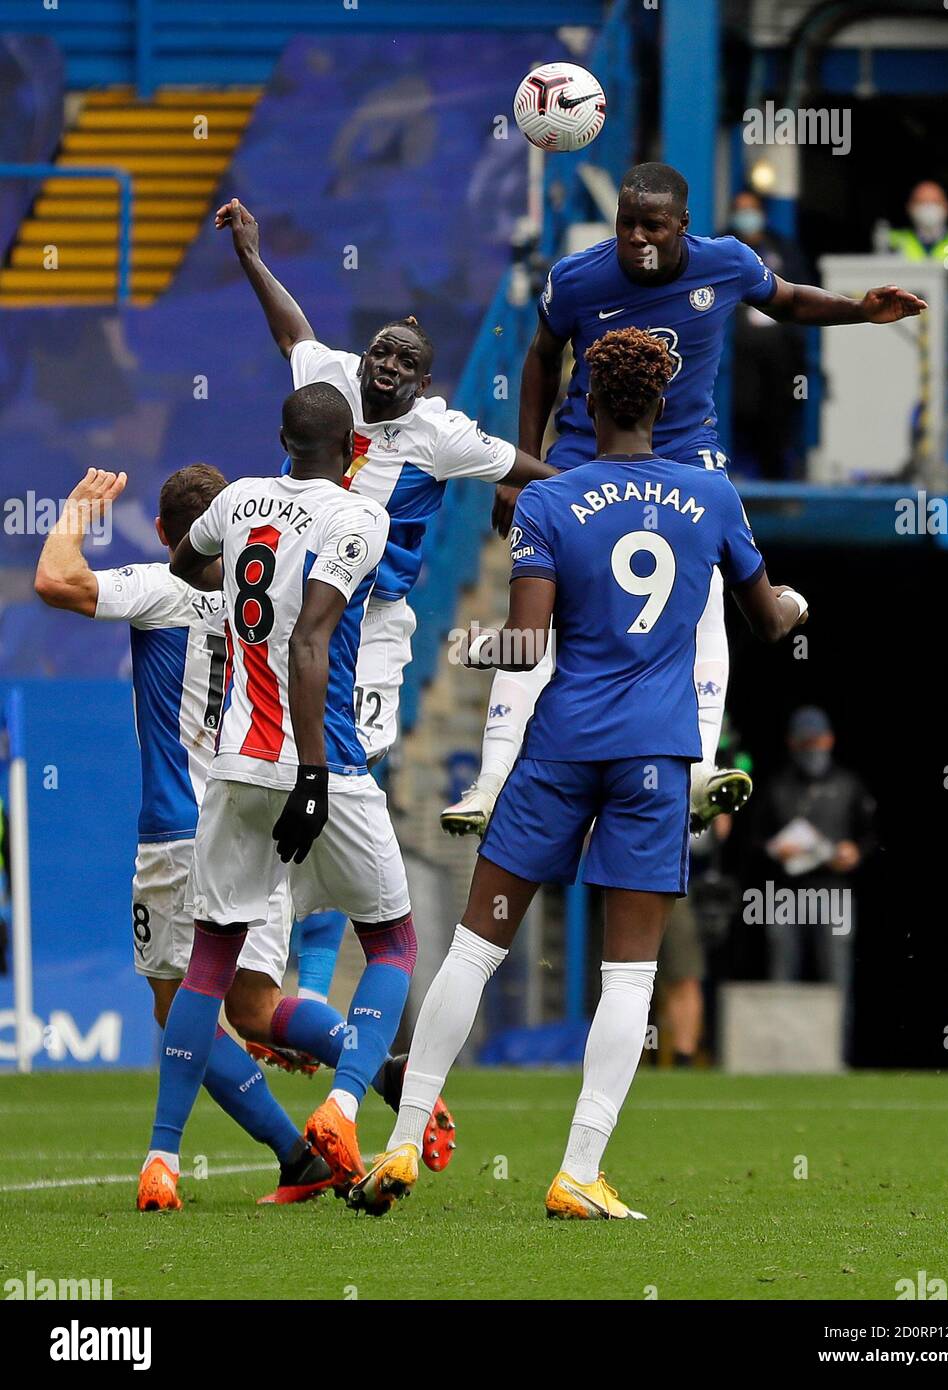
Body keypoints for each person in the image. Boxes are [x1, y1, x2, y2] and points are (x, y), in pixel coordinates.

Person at [350, 327, 808, 1221]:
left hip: (555, 751)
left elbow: (523, 646)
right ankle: (578, 1171)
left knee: (475, 951)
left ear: (585, 405)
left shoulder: (550, 501)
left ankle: (402, 1140)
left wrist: (463, 640)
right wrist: (792, 604)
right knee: (628, 977)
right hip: (653, 760)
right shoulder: (712, 496)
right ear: (666, 405)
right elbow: (766, 623)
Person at [442, 161, 924, 840]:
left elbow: (784, 300)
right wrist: (524, 470)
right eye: (626, 222)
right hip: (586, 455)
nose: (635, 237)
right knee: (540, 618)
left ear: (682, 227)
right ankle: (490, 781)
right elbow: (539, 358)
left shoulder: (725, 263)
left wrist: (859, 311)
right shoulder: (578, 276)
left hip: (683, 458)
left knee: (702, 598)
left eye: (651, 225)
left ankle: (696, 768)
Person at [215, 197, 556, 1035]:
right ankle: (269, 969)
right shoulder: (329, 380)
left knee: (340, 781)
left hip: (369, 634)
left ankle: (318, 983)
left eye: (406, 362)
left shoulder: (440, 434)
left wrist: (563, 490)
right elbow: (290, 331)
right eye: (381, 353)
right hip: (294, 616)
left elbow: (529, 468)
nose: (388, 367)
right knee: (269, 771)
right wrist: (253, 257)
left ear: (423, 382)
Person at [137, 383, 444, 1210]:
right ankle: (343, 1106)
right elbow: (311, 638)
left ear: (280, 439)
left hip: (234, 768)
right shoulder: (359, 519)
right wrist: (311, 773)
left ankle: (161, 1163)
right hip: (327, 763)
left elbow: (183, 564)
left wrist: (235, 579)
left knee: (205, 968)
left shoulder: (238, 499)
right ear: (352, 452)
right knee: (392, 945)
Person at [34, 464, 333, 1206]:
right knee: (258, 1011)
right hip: (257, 819)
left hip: (175, 834)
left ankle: (284, 1153)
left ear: (168, 534)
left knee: (178, 1011)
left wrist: (75, 511)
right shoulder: (272, 603)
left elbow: (53, 580)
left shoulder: (162, 590)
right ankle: (382, 1078)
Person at [751, 705, 877, 1058]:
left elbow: (870, 838)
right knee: (783, 973)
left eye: (817, 740)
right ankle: (783, 1055)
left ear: (830, 740)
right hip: (784, 894)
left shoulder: (849, 785)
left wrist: (856, 852)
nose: (812, 748)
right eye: (805, 742)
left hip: (833, 891)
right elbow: (754, 841)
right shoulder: (776, 787)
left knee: (836, 978)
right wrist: (777, 851)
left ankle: (835, 1055)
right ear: (793, 743)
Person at [727, 190, 809, 480]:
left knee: (777, 415)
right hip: (739, 350)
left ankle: (776, 481)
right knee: (742, 409)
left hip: (779, 350)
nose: (747, 216)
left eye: (752, 209)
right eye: (741, 209)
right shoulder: (723, 249)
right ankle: (736, 474)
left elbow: (801, 294)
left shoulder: (782, 249)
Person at [888, 182, 948, 288]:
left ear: (947, 206)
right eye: (921, 202)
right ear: (909, 207)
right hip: (907, 301)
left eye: (935, 202)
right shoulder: (894, 241)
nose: (928, 208)